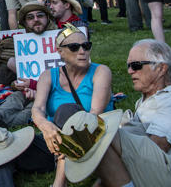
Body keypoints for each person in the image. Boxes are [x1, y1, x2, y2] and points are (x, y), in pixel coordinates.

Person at [94, 40, 171, 187]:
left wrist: (111, 136)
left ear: (161, 68)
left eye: (136, 65)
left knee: (103, 134)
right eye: (129, 66)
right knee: (102, 138)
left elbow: (158, 146)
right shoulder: (142, 104)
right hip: (155, 172)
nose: (130, 71)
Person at [29, 23, 113, 187]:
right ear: (60, 52)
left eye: (86, 46)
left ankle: (60, 182)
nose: (82, 51)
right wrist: (45, 126)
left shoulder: (101, 71)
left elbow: (94, 115)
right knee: (8, 145)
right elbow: (37, 108)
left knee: (67, 111)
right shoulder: (48, 75)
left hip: (91, 140)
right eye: (74, 47)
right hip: (54, 139)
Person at [0, 3, 56, 134]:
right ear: (25, 23)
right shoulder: (24, 43)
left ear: (47, 18)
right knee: (15, 98)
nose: (36, 19)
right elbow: (23, 75)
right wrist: (17, 84)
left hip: (54, 93)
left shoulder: (59, 40)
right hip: (28, 90)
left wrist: (35, 87)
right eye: (30, 17)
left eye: (40, 15)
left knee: (33, 109)